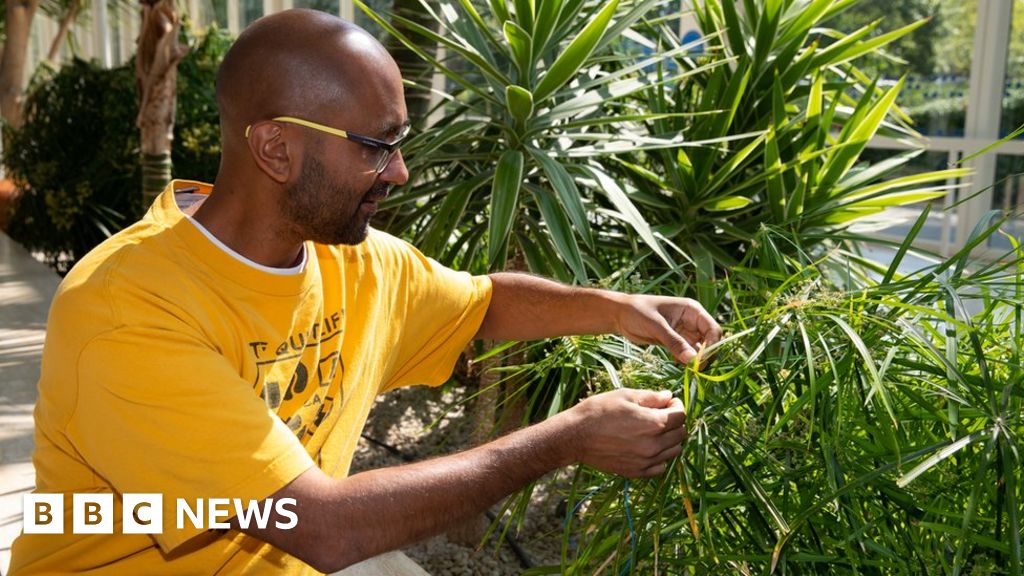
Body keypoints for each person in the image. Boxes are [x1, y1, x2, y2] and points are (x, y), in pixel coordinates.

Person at [9, 9, 721, 575]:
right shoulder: (127, 311)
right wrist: (565, 438)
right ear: (277, 149)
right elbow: (319, 525)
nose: (401, 172)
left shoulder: (357, 264)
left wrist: (621, 311)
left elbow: (482, 302)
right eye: (377, 146)